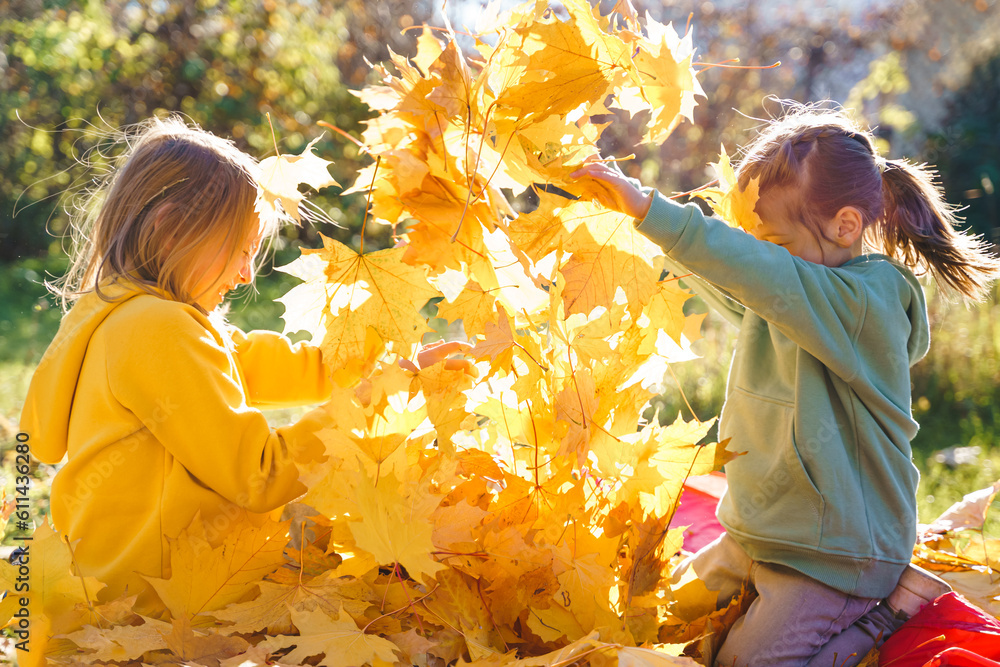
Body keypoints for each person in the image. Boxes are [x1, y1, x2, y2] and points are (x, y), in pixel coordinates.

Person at [572, 104, 1000, 666]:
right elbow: (742, 276)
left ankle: (886, 615)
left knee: (744, 664)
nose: (757, 257)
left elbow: (765, 275)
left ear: (846, 226)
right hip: (758, 533)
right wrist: (646, 225)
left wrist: (654, 210)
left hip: (837, 555)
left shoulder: (868, 302)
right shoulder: (787, 289)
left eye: (770, 241)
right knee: (648, 625)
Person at [20, 116, 462, 621]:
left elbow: (260, 362)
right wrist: (368, 401)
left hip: (133, 597)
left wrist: (392, 364)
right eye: (241, 249)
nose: (247, 273)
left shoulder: (139, 316)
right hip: (153, 615)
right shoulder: (156, 329)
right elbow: (261, 475)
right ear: (168, 228)